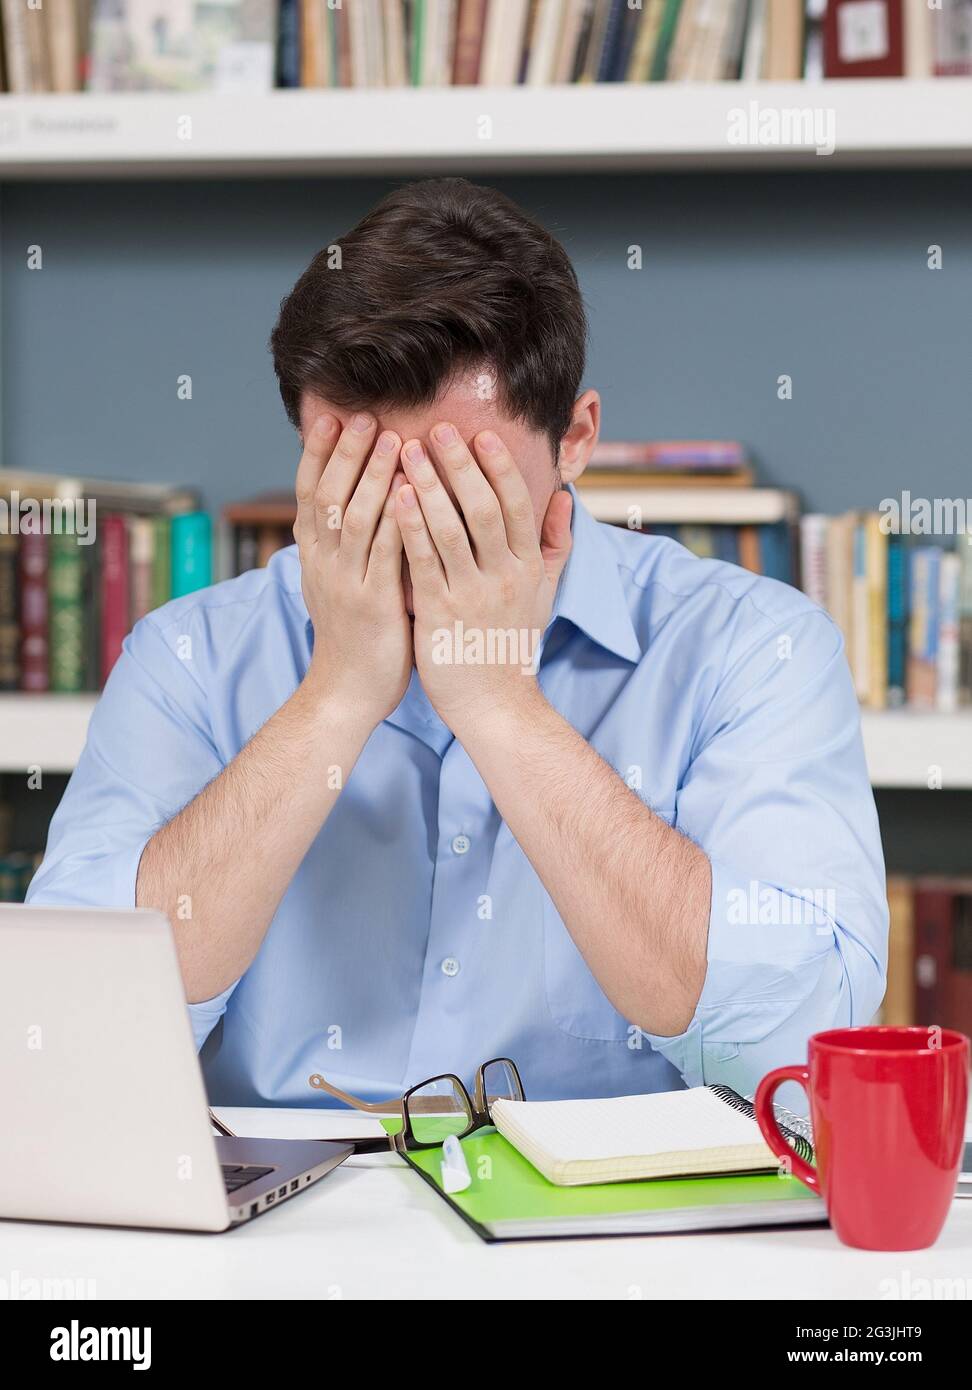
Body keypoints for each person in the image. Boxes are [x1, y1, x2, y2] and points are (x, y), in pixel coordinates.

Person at [28, 178, 887, 1107]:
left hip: (618, 1243)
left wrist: (498, 704)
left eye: (456, 479)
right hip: (278, 1238)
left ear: (575, 438)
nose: (409, 526)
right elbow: (67, 1051)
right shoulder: (184, 663)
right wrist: (337, 695)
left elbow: (796, 1055)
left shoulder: (756, 649)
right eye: (358, 476)